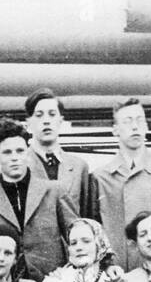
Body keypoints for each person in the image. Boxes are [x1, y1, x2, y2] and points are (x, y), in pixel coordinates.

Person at [0, 117, 80, 282]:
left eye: (20, 151)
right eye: (7, 152)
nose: (14, 157)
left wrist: (69, 272)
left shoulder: (55, 191)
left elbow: (79, 237)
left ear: (28, 154)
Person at [95, 97, 151, 270]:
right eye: (127, 121)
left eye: (139, 120)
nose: (135, 127)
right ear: (115, 130)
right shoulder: (100, 178)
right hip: (116, 274)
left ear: (146, 126)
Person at [23, 88, 98, 218]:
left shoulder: (79, 167)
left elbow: (88, 218)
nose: (46, 120)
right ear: (29, 122)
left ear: (61, 120)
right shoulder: (19, 165)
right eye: (39, 115)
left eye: (52, 114)